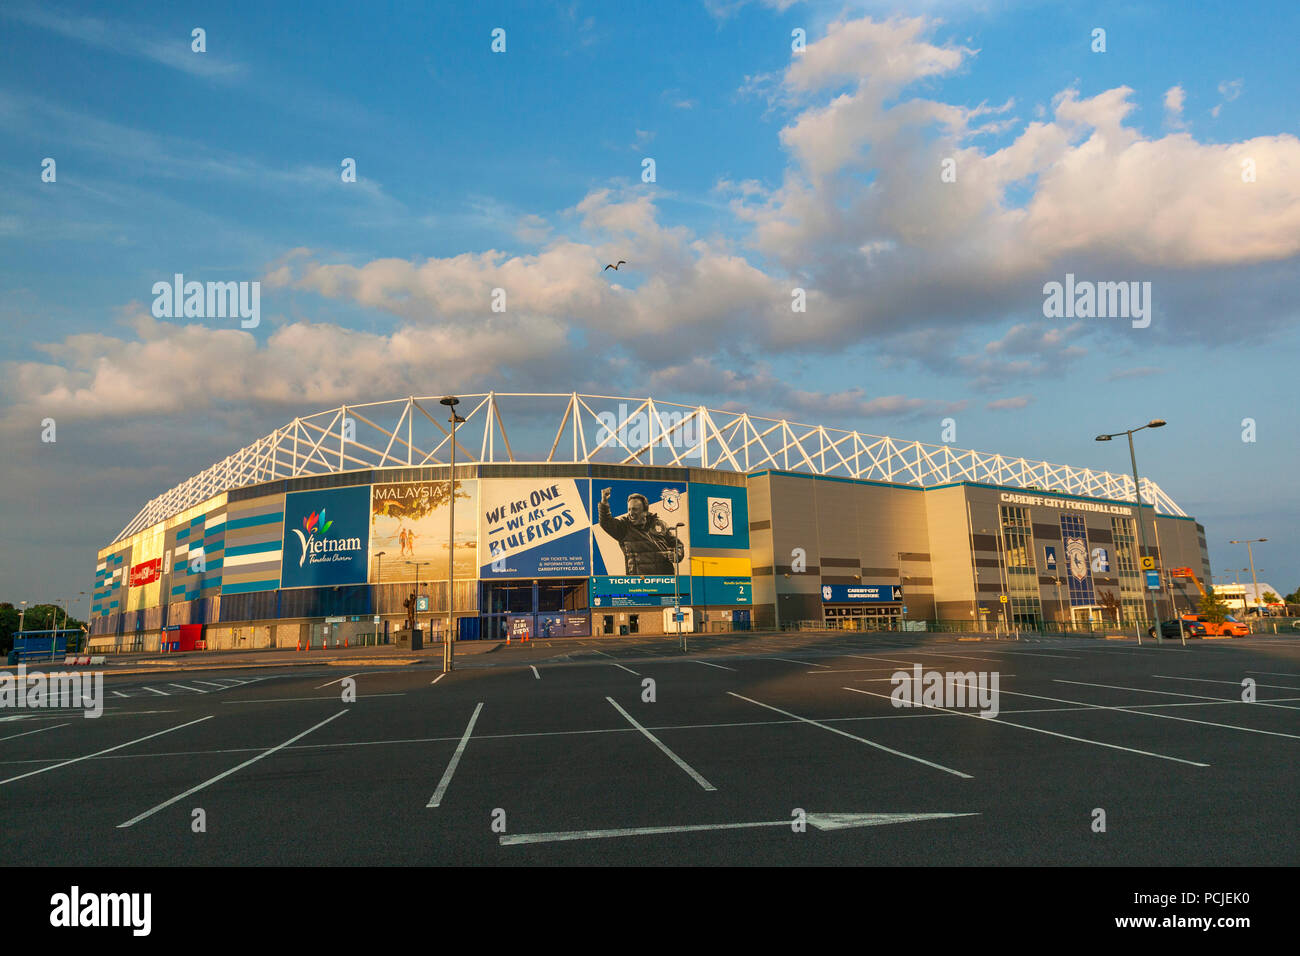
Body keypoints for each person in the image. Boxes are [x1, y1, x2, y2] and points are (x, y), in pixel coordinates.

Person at [598, 487, 683, 574]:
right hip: (639, 582)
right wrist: (604, 502)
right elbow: (605, 522)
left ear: (645, 512)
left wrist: (677, 554)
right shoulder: (624, 527)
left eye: (634, 509)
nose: (631, 513)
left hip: (664, 580)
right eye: (629, 509)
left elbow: (677, 545)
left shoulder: (660, 525)